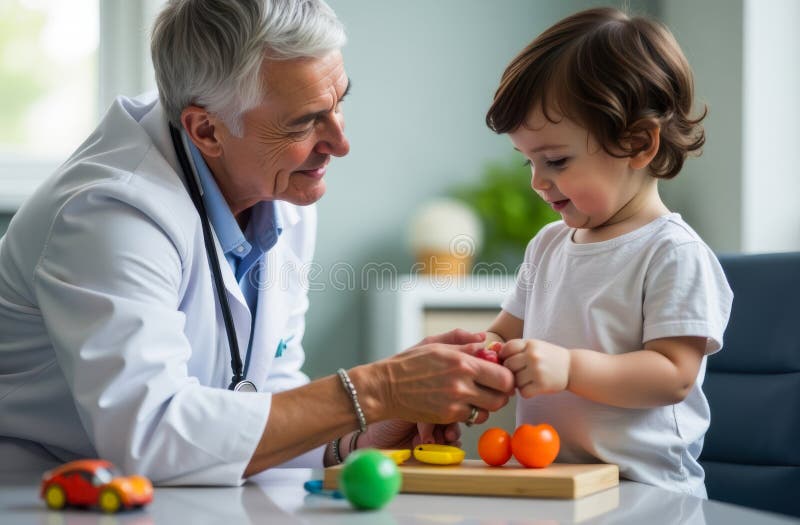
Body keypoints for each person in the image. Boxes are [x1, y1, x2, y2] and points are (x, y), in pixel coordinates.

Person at [0, 0, 513, 484]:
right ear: (206, 130)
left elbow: (264, 392)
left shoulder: (279, 187)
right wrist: (379, 389)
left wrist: (364, 431)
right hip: (37, 497)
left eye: (339, 104)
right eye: (306, 121)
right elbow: (151, 437)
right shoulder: (109, 215)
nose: (339, 141)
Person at [481, 7, 733, 497]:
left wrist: (570, 369)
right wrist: (476, 354)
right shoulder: (547, 246)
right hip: (554, 481)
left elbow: (672, 375)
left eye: (555, 159)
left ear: (638, 143)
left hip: (647, 493)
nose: (538, 182)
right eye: (529, 161)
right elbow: (504, 332)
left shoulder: (671, 253)